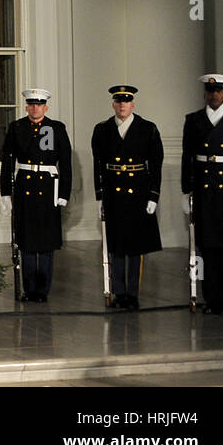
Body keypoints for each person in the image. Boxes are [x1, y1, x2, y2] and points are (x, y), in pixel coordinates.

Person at [91, 84, 162, 311]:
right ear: (113, 104)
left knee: (136, 246)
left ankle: (132, 293)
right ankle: (118, 292)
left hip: (139, 192)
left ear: (133, 104)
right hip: (113, 191)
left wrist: (154, 195)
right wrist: (99, 195)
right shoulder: (102, 129)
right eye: (118, 101)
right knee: (116, 245)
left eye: (126, 101)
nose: (122, 105)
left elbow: (156, 165)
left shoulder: (147, 128)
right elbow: (98, 165)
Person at [182, 73, 223, 316]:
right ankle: (210, 297)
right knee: (206, 248)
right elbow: (187, 157)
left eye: (218, 90)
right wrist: (184, 190)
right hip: (203, 189)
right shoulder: (194, 120)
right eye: (210, 91)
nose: (214, 95)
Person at [0, 89, 72, 301]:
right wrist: (6, 191)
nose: (35, 108)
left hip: (49, 189)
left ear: (45, 107)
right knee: (27, 240)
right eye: (31, 104)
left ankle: (43, 290)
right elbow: (7, 162)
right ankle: (29, 289)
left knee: (46, 241)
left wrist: (64, 193)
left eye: (39, 104)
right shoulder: (17, 128)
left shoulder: (56, 128)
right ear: (26, 106)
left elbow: (65, 163)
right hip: (24, 188)